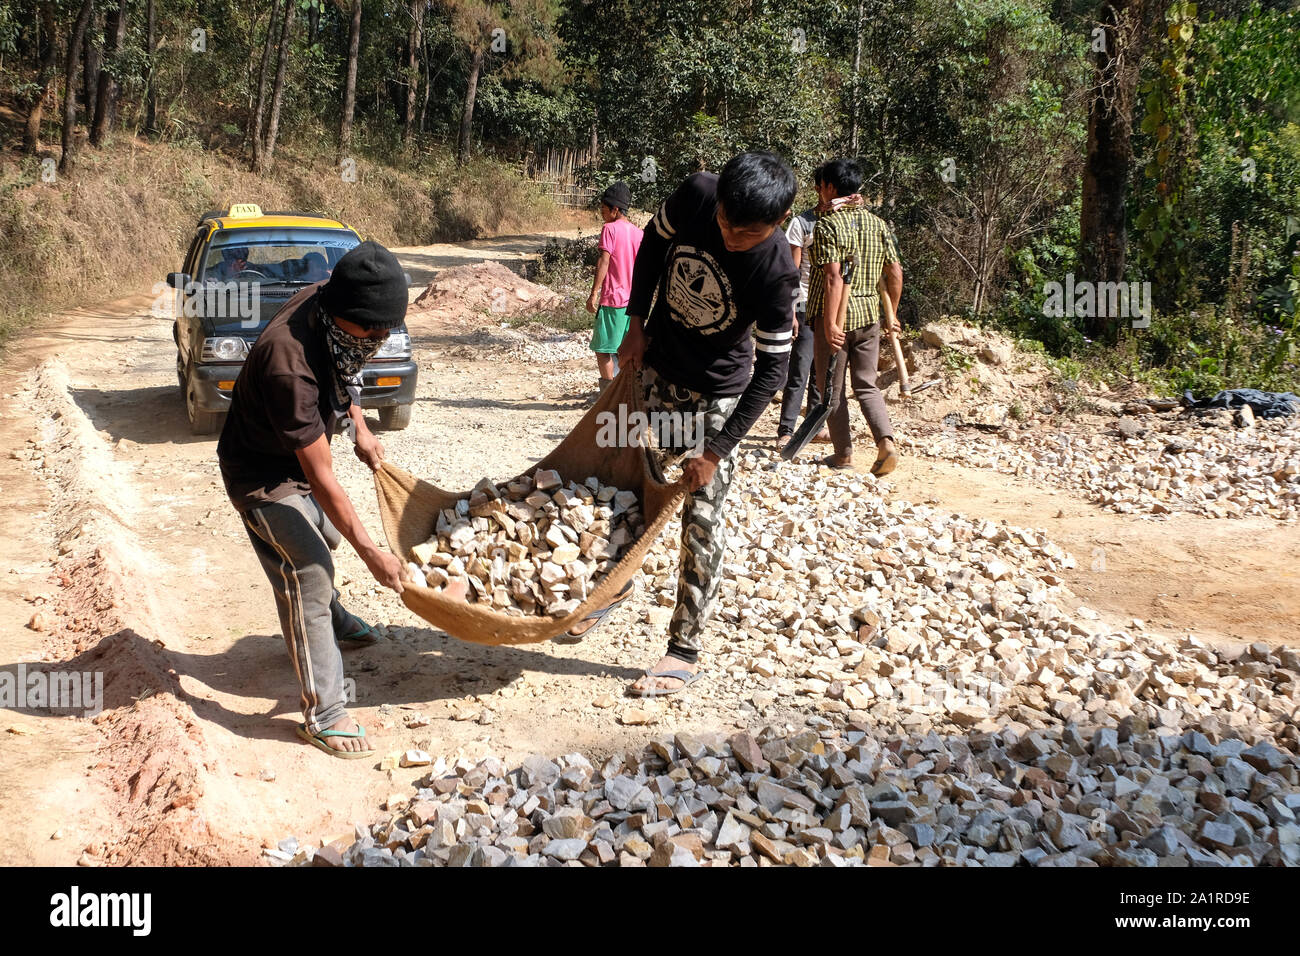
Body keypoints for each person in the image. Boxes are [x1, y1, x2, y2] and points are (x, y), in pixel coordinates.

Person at [216, 240, 408, 758]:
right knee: (310, 569)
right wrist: (373, 553)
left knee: (324, 533)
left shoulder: (329, 301)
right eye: (373, 331)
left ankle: (333, 618)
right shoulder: (288, 361)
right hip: (260, 473)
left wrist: (360, 426)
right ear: (341, 314)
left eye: (389, 329)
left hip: (295, 454)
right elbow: (321, 479)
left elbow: (346, 369)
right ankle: (324, 713)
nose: (381, 339)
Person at [617, 152, 799, 695]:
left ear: (778, 224)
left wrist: (715, 449)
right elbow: (651, 245)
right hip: (656, 367)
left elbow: (773, 371)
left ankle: (682, 650)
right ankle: (609, 590)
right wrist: (635, 321)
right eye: (724, 223)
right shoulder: (697, 192)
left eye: (745, 233)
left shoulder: (776, 274)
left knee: (702, 520)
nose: (729, 236)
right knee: (626, 486)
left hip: (717, 393)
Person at [808, 158, 904, 476]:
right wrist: (892, 311)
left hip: (834, 319)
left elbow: (834, 278)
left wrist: (831, 323)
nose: (819, 192)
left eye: (821, 186)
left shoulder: (828, 225)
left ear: (832, 188)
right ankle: (885, 442)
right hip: (869, 317)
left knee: (830, 391)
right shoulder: (878, 224)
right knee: (867, 384)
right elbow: (894, 272)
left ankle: (843, 454)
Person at [776, 164, 825, 447]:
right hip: (806, 302)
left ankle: (814, 427)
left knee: (822, 370)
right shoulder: (802, 223)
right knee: (801, 367)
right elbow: (792, 271)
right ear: (819, 188)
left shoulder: (846, 224)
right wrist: (792, 309)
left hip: (830, 307)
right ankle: (786, 429)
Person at [586, 181, 643, 392]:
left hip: (613, 300)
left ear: (615, 209)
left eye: (603, 209)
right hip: (633, 304)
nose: (602, 214)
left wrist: (593, 294)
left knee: (603, 350)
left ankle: (607, 396)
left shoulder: (609, 229)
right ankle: (628, 393)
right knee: (625, 351)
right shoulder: (639, 233)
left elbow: (604, 261)